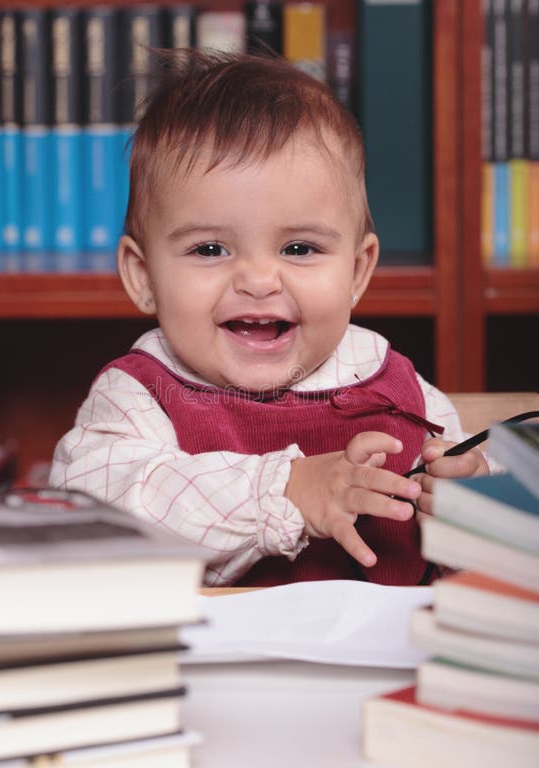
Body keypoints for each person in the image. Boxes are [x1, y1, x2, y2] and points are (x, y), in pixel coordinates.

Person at [50, 50, 488, 587]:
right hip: (209, 664)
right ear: (143, 275)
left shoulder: (396, 388)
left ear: (357, 271)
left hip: (384, 663)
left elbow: (502, 555)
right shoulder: (140, 395)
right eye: (209, 249)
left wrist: (471, 514)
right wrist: (286, 491)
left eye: (300, 248)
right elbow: (97, 509)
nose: (259, 280)